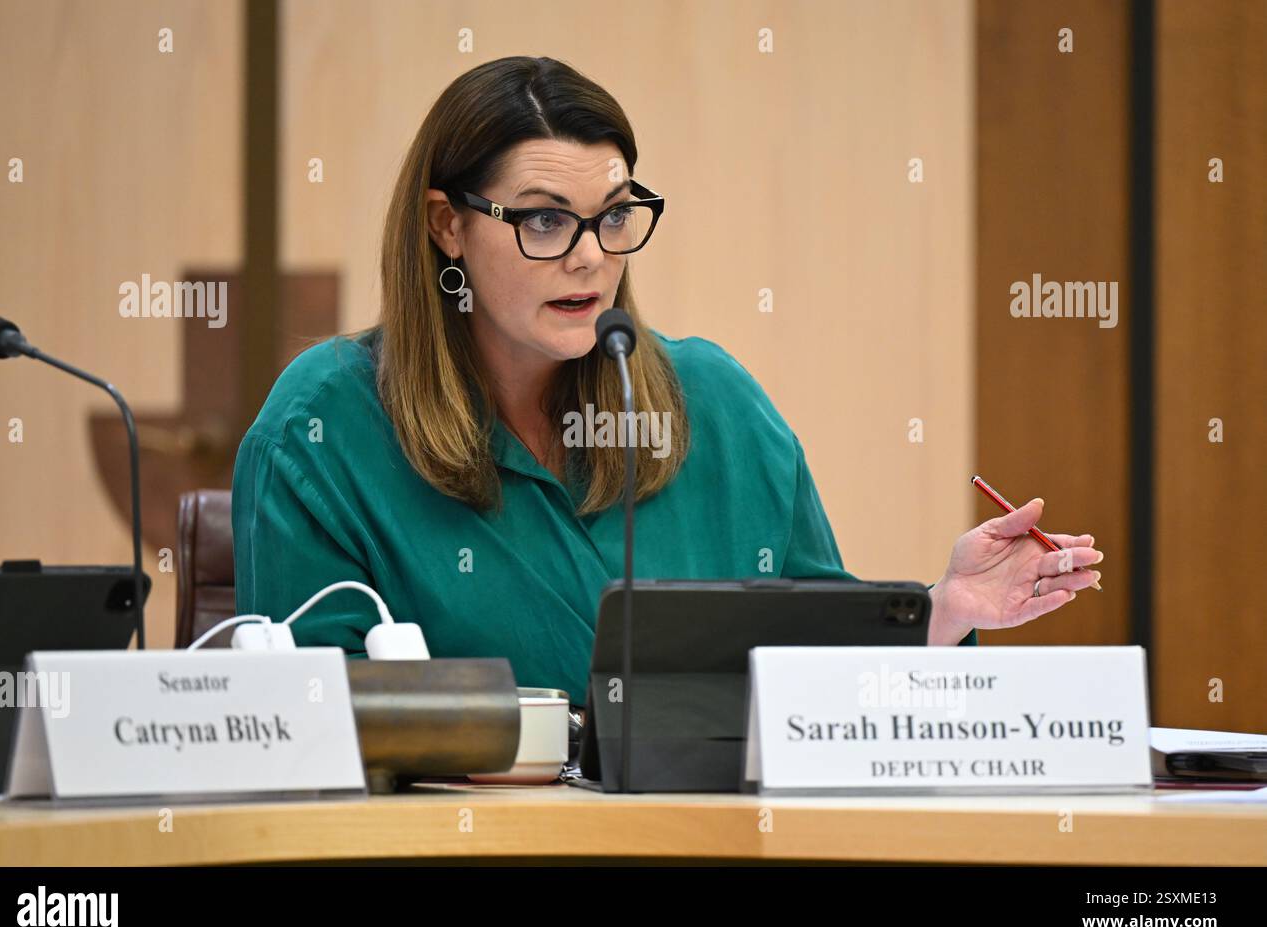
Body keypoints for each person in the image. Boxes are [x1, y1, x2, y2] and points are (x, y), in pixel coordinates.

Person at [232, 56, 1102, 705]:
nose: (587, 257)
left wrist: (941, 611)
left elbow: (820, 687)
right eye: (542, 218)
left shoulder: (712, 403)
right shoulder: (326, 426)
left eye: (612, 216)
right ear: (446, 226)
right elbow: (310, 725)